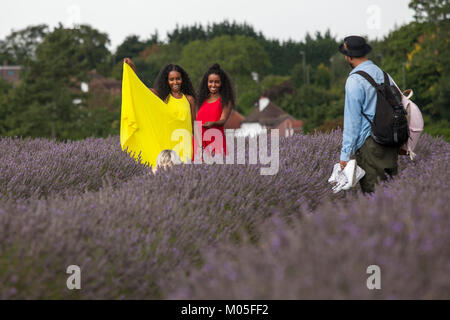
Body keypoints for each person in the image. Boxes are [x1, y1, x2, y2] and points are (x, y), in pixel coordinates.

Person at [338, 36, 400, 194]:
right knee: (393, 191)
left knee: (374, 195)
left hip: (370, 144)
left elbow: (352, 122)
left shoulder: (354, 80)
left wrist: (345, 154)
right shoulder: (383, 74)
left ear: (349, 56)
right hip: (391, 140)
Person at [122, 58, 198, 166]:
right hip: (166, 145)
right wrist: (132, 68)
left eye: (178, 79)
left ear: (183, 80)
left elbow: (194, 124)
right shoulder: (162, 97)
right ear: (167, 81)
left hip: (185, 146)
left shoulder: (189, 99)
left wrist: (200, 147)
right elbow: (140, 89)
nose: (175, 82)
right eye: (171, 79)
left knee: (184, 175)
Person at [194, 63, 235, 161]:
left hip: (215, 140)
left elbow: (223, 119)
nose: (213, 85)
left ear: (222, 83)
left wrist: (213, 123)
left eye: (217, 82)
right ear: (206, 82)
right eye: (210, 82)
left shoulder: (225, 100)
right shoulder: (201, 100)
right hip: (199, 142)